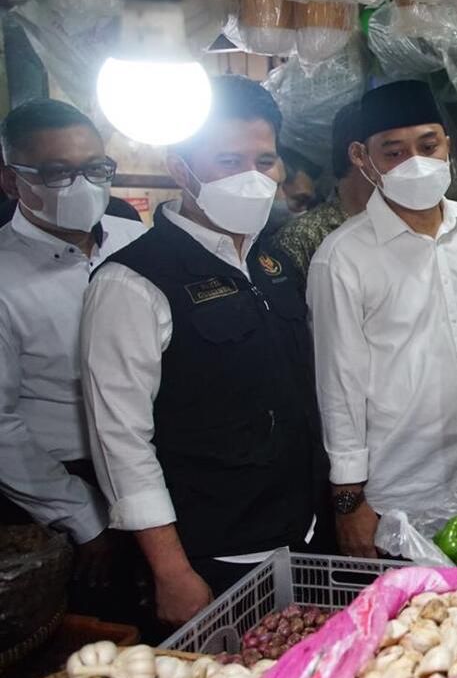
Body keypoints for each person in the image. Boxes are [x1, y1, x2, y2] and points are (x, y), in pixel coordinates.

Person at [81, 76, 328, 628]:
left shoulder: (272, 264)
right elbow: (120, 440)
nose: (251, 177)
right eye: (228, 161)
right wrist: (170, 570)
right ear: (180, 168)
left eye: (264, 161)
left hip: (301, 536)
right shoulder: (133, 281)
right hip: (212, 556)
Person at [308, 81, 457, 559]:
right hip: (400, 497)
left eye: (428, 146)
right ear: (361, 157)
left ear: (447, 145)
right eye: (394, 152)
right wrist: (349, 500)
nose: (415, 162)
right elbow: (339, 386)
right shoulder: (342, 257)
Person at [0, 99, 145, 621]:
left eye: (96, 169)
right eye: (57, 173)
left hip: (156, 464)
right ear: (12, 181)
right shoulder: (4, 278)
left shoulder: (140, 242)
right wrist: (82, 516)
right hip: (63, 485)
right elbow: (2, 428)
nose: (81, 186)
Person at [272, 102, 371, 288]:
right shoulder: (302, 239)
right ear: (357, 155)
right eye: (394, 152)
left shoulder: (412, 224)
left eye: (426, 148)